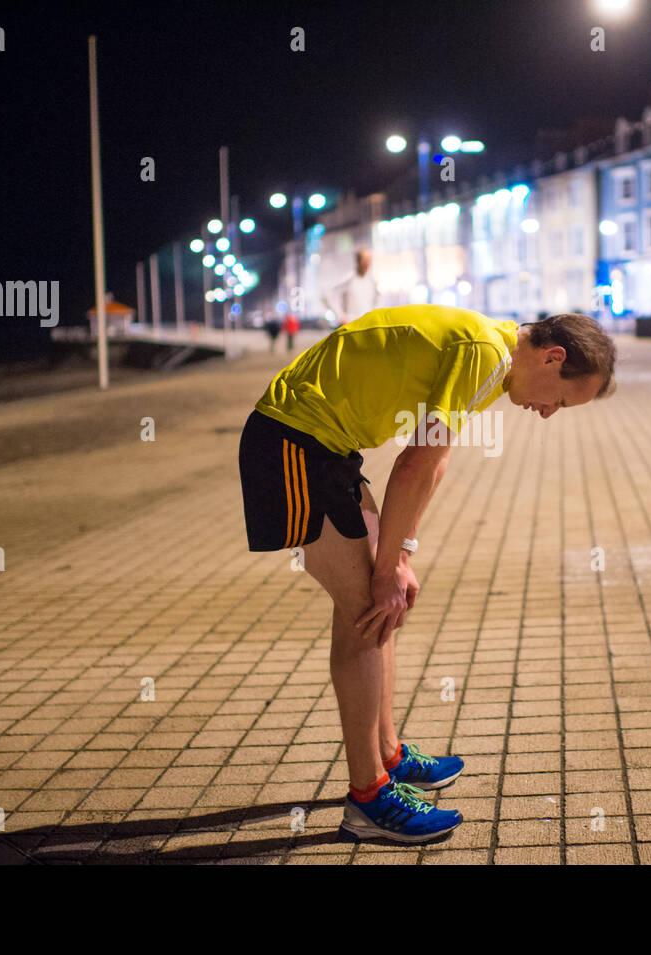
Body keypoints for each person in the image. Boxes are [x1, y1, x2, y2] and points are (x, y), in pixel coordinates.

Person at [238, 306, 616, 842]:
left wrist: (402, 553)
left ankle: (387, 756)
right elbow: (413, 461)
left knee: (381, 610)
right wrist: (387, 565)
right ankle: (368, 799)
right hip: (291, 444)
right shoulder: (485, 352)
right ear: (554, 358)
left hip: (324, 445)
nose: (548, 413)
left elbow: (435, 460)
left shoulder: (495, 357)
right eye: (560, 399)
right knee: (367, 613)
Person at [322, 249, 378, 326]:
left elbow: (377, 303)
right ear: (358, 261)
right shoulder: (348, 281)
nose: (366, 263)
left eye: (368, 260)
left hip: (367, 326)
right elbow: (328, 296)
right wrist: (341, 316)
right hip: (351, 326)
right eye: (364, 260)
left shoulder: (371, 283)